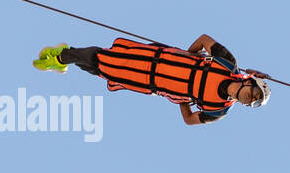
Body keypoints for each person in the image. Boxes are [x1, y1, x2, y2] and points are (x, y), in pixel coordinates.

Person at [33, 34, 270, 125]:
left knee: (104, 69)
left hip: (150, 82)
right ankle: (63, 56)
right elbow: (205, 40)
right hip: (156, 59)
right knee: (104, 56)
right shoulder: (228, 63)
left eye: (252, 103)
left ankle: (65, 58)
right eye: (254, 94)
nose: (249, 100)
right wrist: (190, 55)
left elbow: (190, 120)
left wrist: (183, 96)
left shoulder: (218, 110)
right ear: (249, 83)